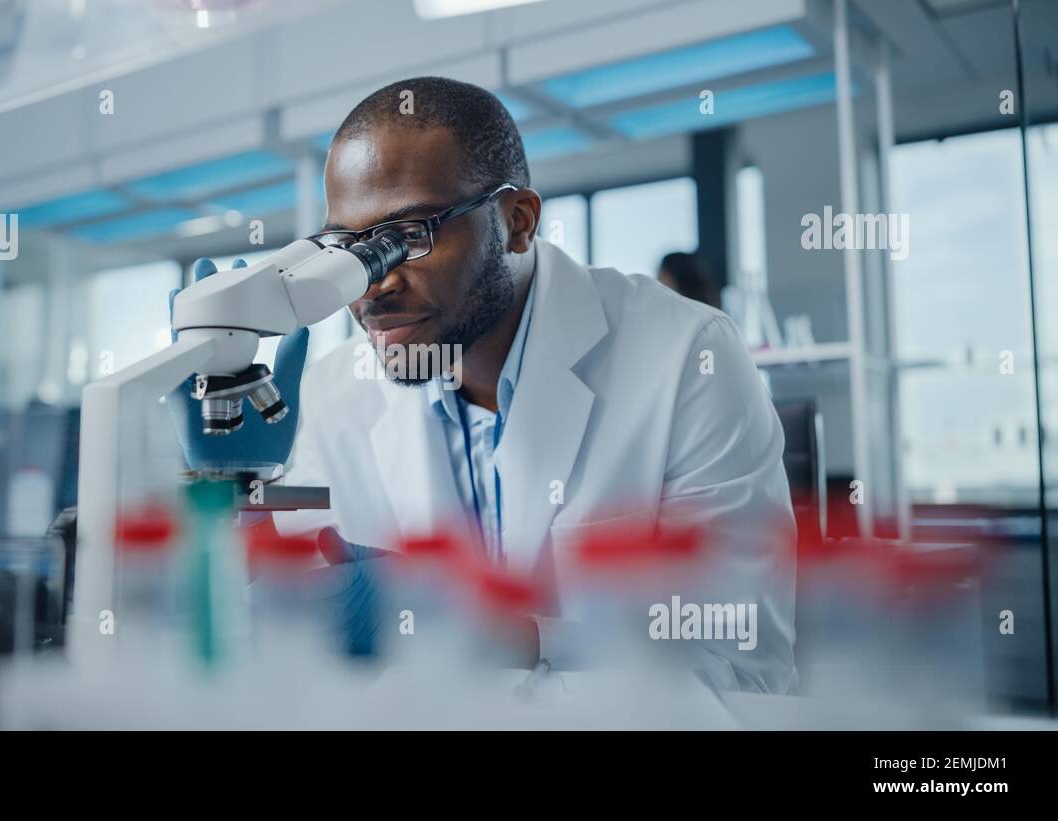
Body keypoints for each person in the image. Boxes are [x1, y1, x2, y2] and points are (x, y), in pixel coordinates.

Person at [170, 77, 796, 693]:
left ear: (518, 222)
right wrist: (233, 504)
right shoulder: (333, 397)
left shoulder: (687, 356)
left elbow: (742, 678)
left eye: (409, 237)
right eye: (350, 248)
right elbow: (287, 650)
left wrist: (492, 636)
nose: (374, 284)